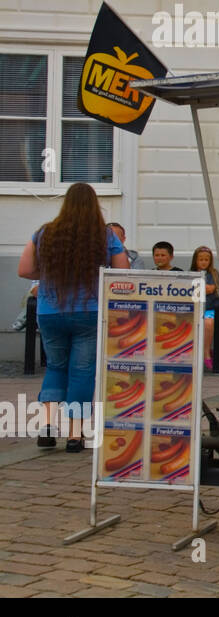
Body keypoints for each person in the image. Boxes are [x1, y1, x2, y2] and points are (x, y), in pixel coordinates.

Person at [17, 182, 129, 451]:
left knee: (55, 367)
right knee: (82, 371)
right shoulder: (104, 237)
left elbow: (25, 270)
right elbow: (122, 272)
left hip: (50, 311)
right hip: (89, 313)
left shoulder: (45, 233)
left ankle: (46, 426)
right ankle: (75, 435)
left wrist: (51, 275)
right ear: (94, 206)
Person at [189, 246, 219, 371]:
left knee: (208, 322)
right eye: (200, 259)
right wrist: (203, 288)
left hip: (209, 309)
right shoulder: (190, 273)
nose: (203, 262)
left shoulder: (213, 273)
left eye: (206, 260)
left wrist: (199, 288)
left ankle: (206, 352)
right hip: (194, 309)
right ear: (195, 260)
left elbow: (211, 289)